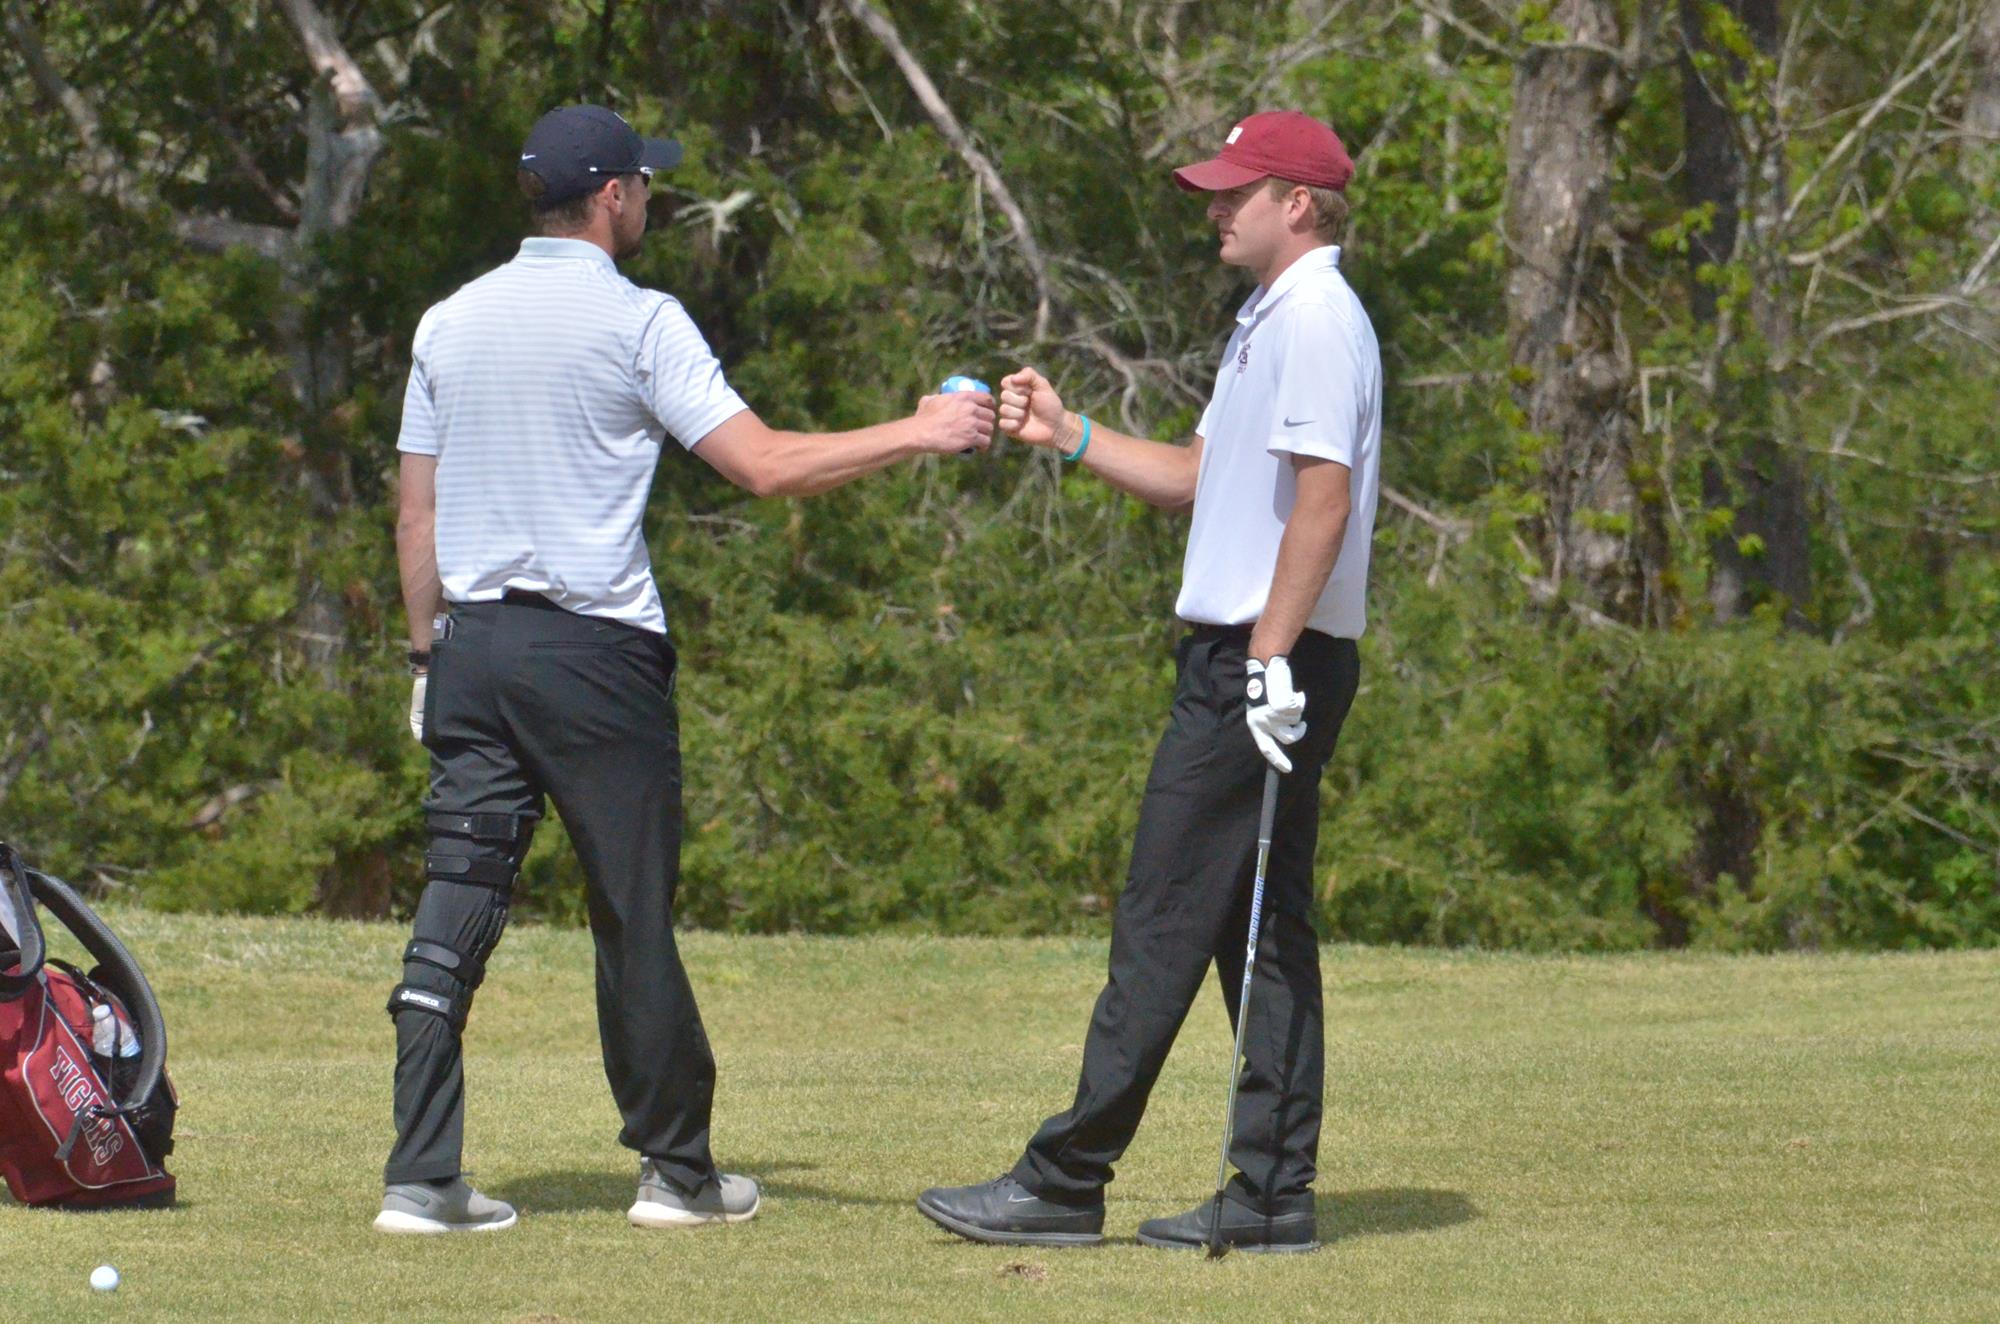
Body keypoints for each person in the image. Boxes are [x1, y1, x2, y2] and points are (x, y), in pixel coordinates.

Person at [377, 104, 993, 1235]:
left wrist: (425, 657)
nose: (651, 199)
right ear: (611, 196)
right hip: (594, 656)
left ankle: (420, 1176)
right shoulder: (640, 319)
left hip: (469, 649)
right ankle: (676, 1174)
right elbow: (760, 465)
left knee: (455, 901)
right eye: (645, 185)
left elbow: (416, 514)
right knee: (630, 909)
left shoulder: (445, 321)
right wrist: (918, 431)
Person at [918, 110, 1380, 1254]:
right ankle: (1269, 1191)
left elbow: (1321, 497)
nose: (1215, 207)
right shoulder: (1266, 320)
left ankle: (1064, 1178)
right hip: (1259, 654)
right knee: (1256, 931)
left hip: (1259, 658)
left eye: (1238, 190)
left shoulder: (1316, 316)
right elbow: (1192, 478)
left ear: (1300, 205)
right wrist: (1071, 436)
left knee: (1163, 914)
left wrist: (1268, 657)